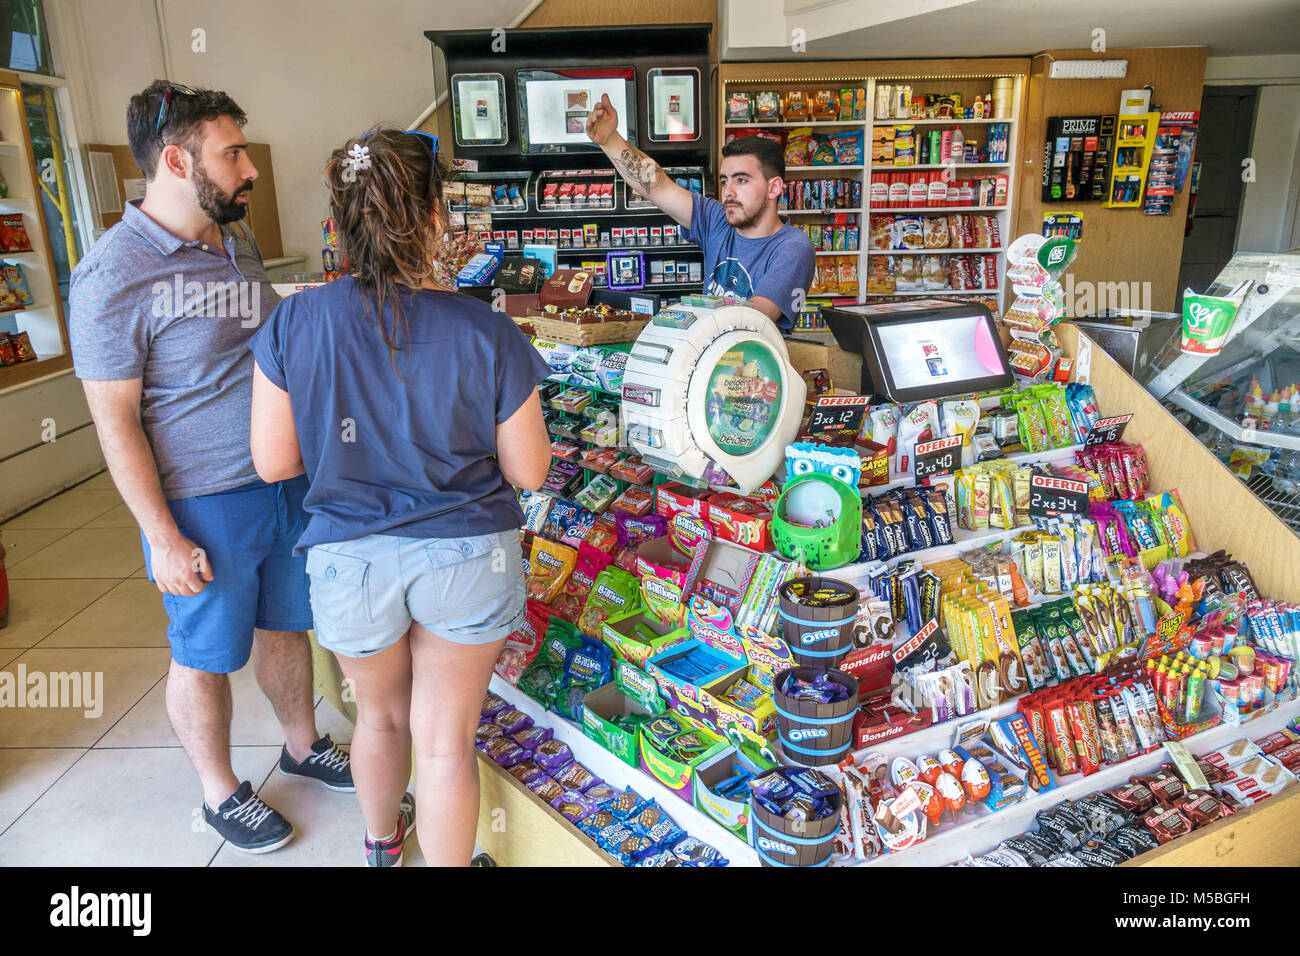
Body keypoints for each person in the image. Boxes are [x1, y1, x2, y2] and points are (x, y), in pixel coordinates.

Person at [248, 127, 552, 867]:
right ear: (438, 220)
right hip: (465, 554)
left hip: (348, 560)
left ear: (341, 221)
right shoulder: (486, 330)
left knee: (378, 719)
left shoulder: (296, 320)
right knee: (445, 742)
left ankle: (384, 848)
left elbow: (272, 461)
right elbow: (532, 470)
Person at [68, 81, 352, 855]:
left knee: (288, 624)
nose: (248, 169)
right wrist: (160, 535)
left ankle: (301, 743)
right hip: (202, 501)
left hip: (283, 479)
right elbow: (114, 421)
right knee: (205, 651)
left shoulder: (237, 236)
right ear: (174, 159)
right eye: (231, 154)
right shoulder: (111, 275)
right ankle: (220, 790)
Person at [586, 94, 815, 332]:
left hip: (754, 364)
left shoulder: (793, 247)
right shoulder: (718, 219)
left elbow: (752, 317)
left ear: (774, 187)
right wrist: (610, 140)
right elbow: (657, 185)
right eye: (725, 181)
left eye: (742, 180)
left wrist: (682, 314)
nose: (729, 192)